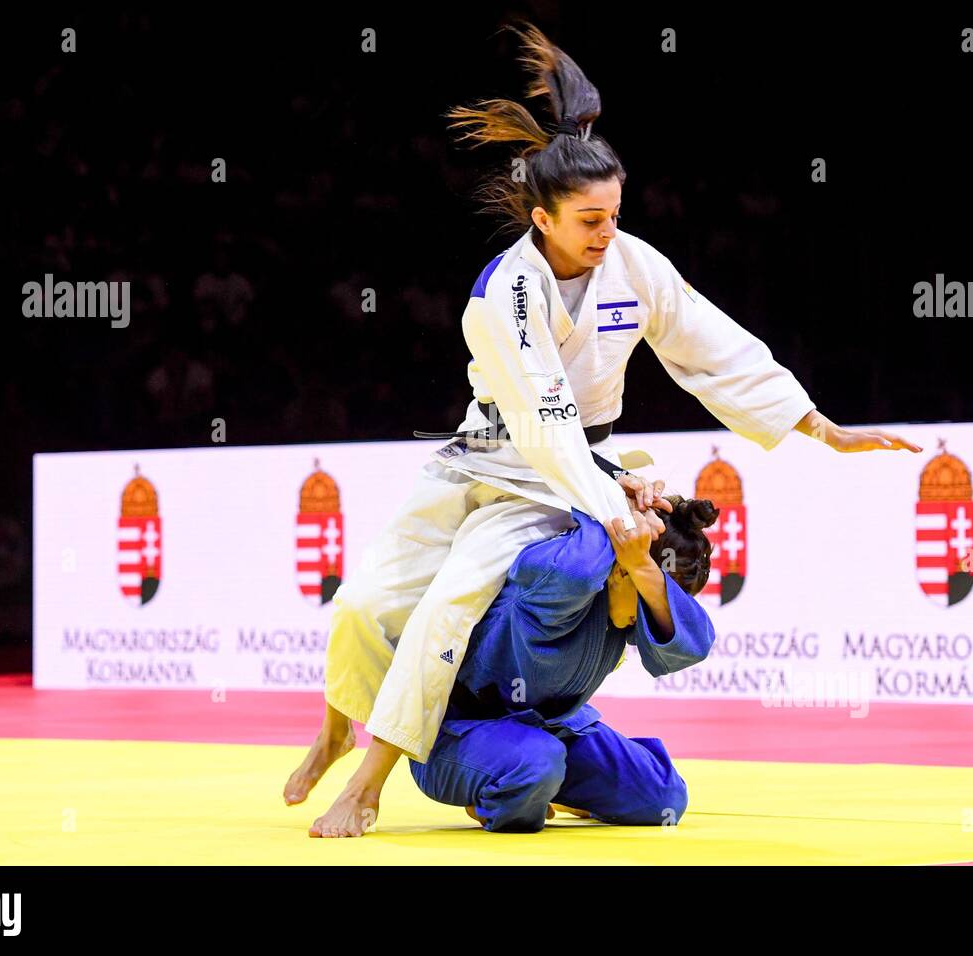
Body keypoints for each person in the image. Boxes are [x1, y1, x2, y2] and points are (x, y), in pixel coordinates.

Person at [287, 21, 921, 838]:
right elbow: (541, 416)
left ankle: (370, 784)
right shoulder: (504, 294)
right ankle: (335, 730)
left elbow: (709, 343)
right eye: (589, 220)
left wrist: (816, 425)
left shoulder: (634, 265)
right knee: (360, 605)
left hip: (563, 469)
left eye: (614, 215)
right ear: (541, 218)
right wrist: (610, 501)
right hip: (489, 449)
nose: (606, 233)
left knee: (449, 604)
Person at [408, 498, 716, 834]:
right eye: (649, 597)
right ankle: (497, 788)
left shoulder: (627, 591)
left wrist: (645, 570)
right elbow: (578, 571)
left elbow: (697, 643)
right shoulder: (557, 577)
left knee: (664, 797)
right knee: (536, 766)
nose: (651, 614)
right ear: (619, 568)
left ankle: (546, 788)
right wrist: (611, 503)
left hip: (554, 730)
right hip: (461, 733)